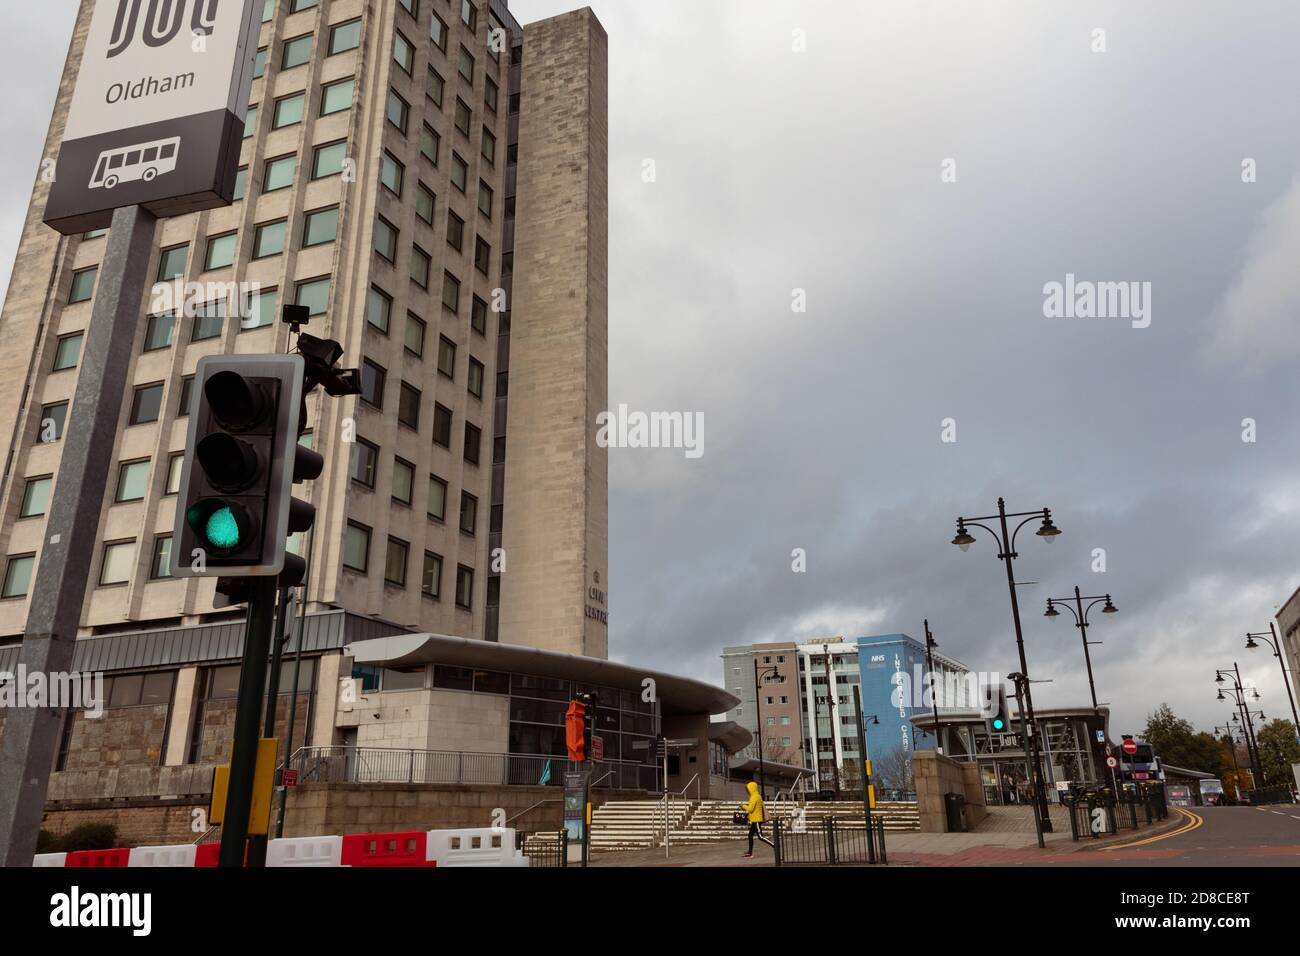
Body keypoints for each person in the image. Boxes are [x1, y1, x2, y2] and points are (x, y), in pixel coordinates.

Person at [741, 781, 773, 858]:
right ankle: (750, 853)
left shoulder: (754, 797)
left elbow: (751, 809)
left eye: (748, 789)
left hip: (757, 820)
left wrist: (743, 806)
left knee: (760, 836)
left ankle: (775, 846)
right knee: (750, 835)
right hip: (755, 820)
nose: (747, 791)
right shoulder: (756, 796)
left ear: (751, 789)